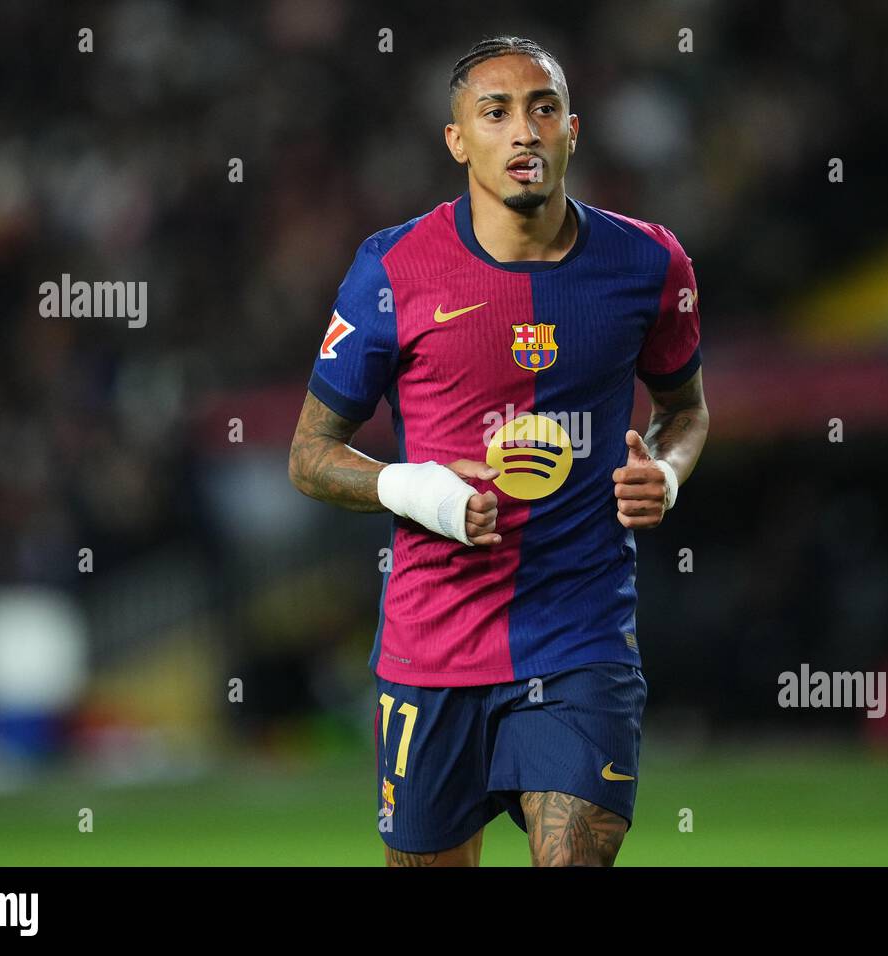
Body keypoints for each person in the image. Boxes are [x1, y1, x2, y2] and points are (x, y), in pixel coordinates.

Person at [288, 35, 708, 866]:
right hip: (432, 643)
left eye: (543, 109)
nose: (524, 131)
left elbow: (685, 411)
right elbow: (310, 456)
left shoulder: (650, 262)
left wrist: (665, 469)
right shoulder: (392, 271)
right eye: (497, 112)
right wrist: (424, 494)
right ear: (458, 142)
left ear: (573, 131)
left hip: (579, 631)